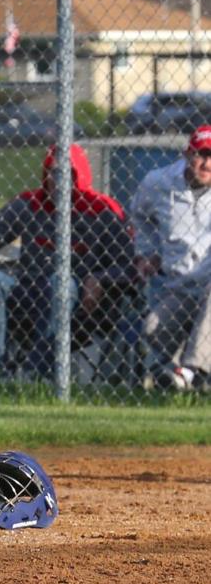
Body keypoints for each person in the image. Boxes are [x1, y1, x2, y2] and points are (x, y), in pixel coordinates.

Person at [0, 143, 133, 379]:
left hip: (81, 303)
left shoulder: (101, 210)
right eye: (53, 172)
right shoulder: (30, 203)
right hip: (28, 291)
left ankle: (37, 375)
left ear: (80, 175)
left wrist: (100, 278)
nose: (58, 179)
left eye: (67, 172)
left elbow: (128, 265)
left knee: (60, 283)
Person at [129, 125, 211, 390]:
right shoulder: (159, 182)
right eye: (201, 154)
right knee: (153, 328)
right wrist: (147, 252)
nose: (207, 164)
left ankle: (188, 371)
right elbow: (139, 217)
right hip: (181, 286)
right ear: (187, 154)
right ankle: (192, 378)